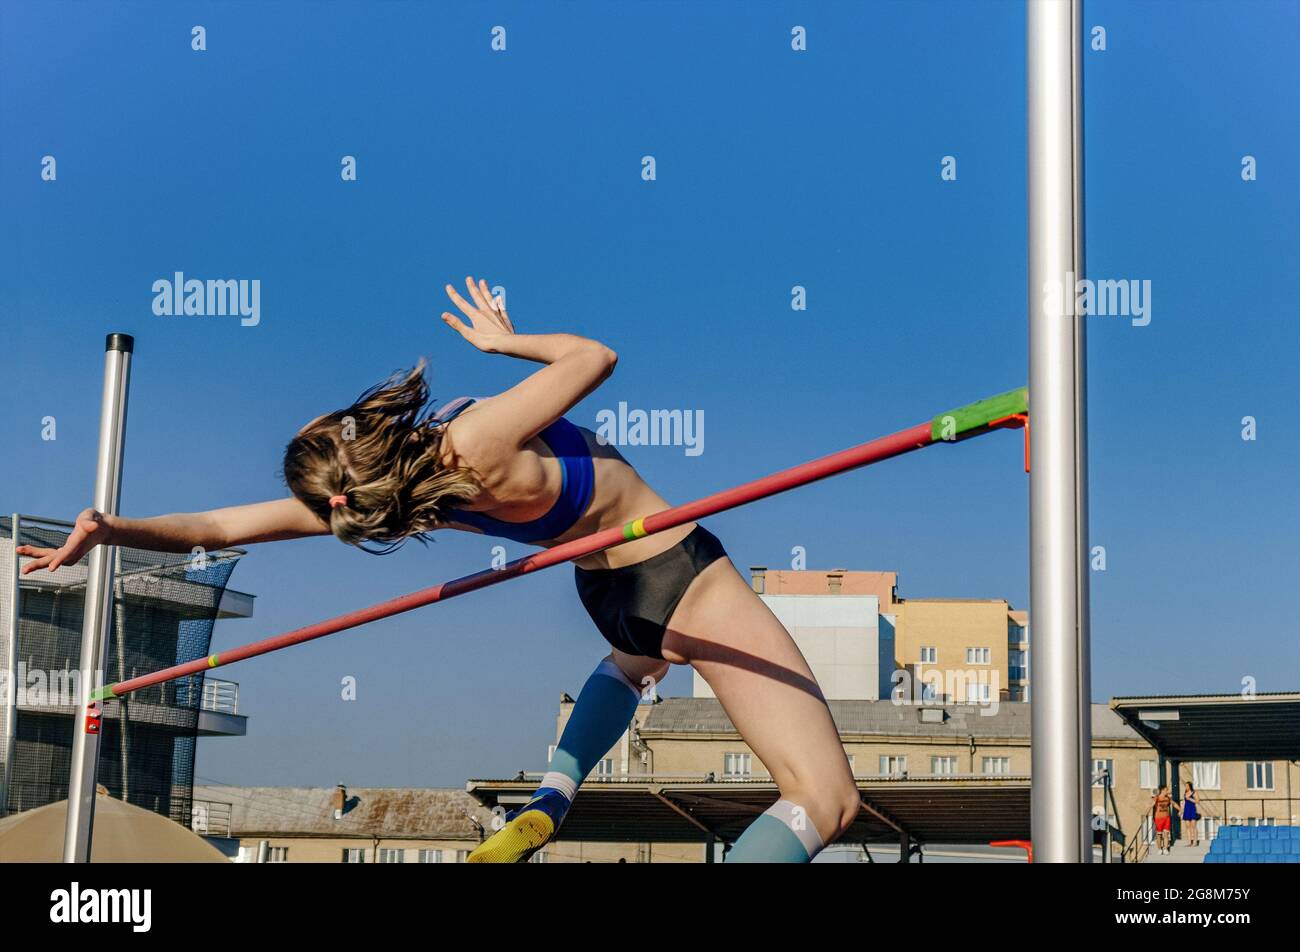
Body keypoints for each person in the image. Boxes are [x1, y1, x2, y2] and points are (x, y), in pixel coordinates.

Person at [19, 277, 859, 864]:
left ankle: (552, 799)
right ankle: (556, 800)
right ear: (347, 431)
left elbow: (221, 524)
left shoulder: (407, 495)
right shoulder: (471, 440)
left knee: (632, 663)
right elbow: (595, 357)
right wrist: (505, 342)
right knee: (823, 801)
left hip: (613, 597)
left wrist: (115, 528)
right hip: (674, 573)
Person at [1151, 785, 1175, 854]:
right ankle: (1159, 849)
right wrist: (1147, 810)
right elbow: (1151, 805)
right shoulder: (1157, 798)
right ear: (1162, 790)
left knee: (1166, 834)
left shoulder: (1168, 798)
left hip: (1166, 818)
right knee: (1159, 835)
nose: (1167, 791)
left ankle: (1165, 848)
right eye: (1166, 790)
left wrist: (1180, 809)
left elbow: (1173, 804)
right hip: (1158, 818)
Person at [1181, 780, 1200, 846]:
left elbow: (1197, 801)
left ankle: (1195, 841)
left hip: (1192, 810)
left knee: (1193, 826)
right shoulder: (1185, 793)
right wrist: (1181, 811)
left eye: (1187, 786)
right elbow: (1183, 803)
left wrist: (1189, 799)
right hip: (1186, 810)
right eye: (1185, 786)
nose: (1186, 787)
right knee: (1187, 826)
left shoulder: (1194, 792)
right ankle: (1189, 842)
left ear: (1190, 786)